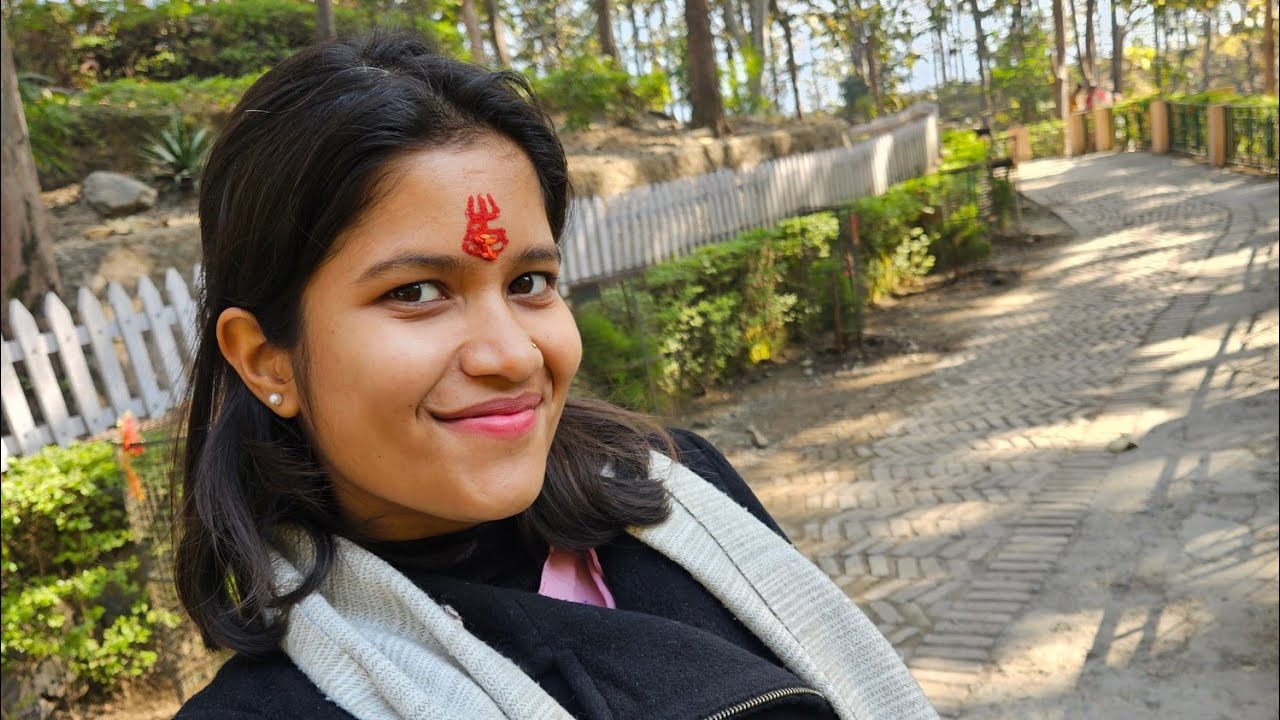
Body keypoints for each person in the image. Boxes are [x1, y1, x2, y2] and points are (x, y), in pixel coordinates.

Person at [172, 32, 937, 720]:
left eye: (529, 282)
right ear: (266, 359)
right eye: (416, 292)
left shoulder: (678, 487)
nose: (512, 355)